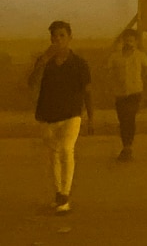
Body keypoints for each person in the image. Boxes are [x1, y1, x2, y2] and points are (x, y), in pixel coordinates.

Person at [27, 19, 94, 214]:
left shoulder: (79, 63)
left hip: (72, 114)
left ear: (70, 38)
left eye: (62, 36)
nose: (58, 40)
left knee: (66, 149)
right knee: (53, 155)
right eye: (54, 37)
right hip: (48, 115)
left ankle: (65, 194)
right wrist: (42, 62)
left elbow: (87, 91)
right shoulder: (45, 61)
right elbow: (32, 83)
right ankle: (58, 193)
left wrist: (91, 117)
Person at [107, 28, 147, 161]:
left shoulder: (141, 56)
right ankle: (125, 145)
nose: (129, 43)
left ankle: (128, 147)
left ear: (136, 42)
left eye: (131, 40)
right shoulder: (115, 57)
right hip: (120, 93)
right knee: (122, 119)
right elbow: (109, 74)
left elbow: (146, 75)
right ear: (122, 41)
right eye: (126, 40)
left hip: (135, 92)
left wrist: (146, 93)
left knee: (129, 118)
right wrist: (110, 90)